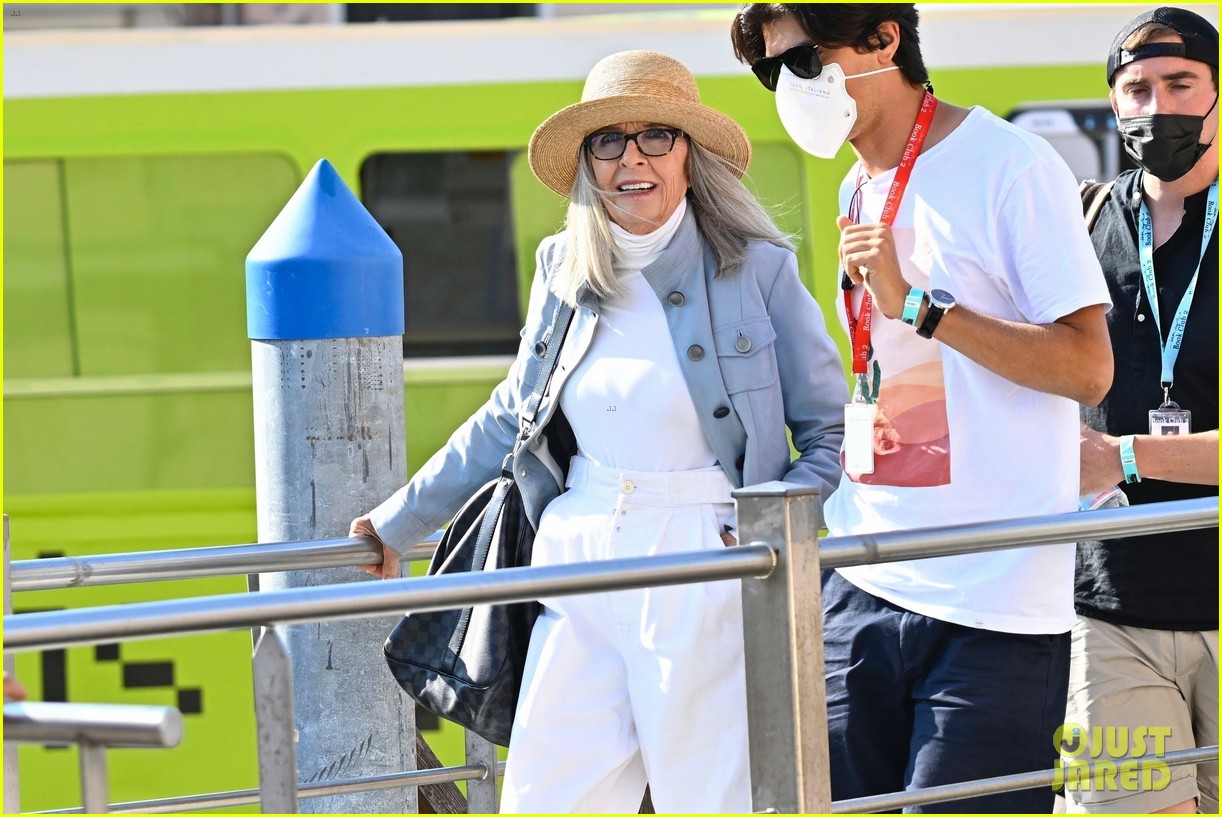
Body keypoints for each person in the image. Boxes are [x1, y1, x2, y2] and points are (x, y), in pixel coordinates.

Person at [350, 49, 847, 813]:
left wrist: (770, 528)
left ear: (689, 154)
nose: (632, 159)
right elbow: (511, 417)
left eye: (655, 136)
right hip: (575, 554)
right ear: (587, 162)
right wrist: (398, 520)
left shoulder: (757, 269)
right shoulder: (562, 267)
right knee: (547, 796)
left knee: (709, 796)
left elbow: (827, 433)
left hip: (703, 558)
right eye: (608, 142)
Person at [732, 4, 1113, 811]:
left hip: (993, 601)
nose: (790, 87)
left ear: (883, 39)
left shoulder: (1010, 164)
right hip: (862, 579)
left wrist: (924, 308)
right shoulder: (856, 184)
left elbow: (1088, 368)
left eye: (805, 61)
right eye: (773, 72)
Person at [1070, 7, 1218, 814]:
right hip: (1111, 603)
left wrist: (1127, 455)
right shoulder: (1085, 218)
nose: (1157, 105)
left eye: (1180, 83)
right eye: (1137, 89)